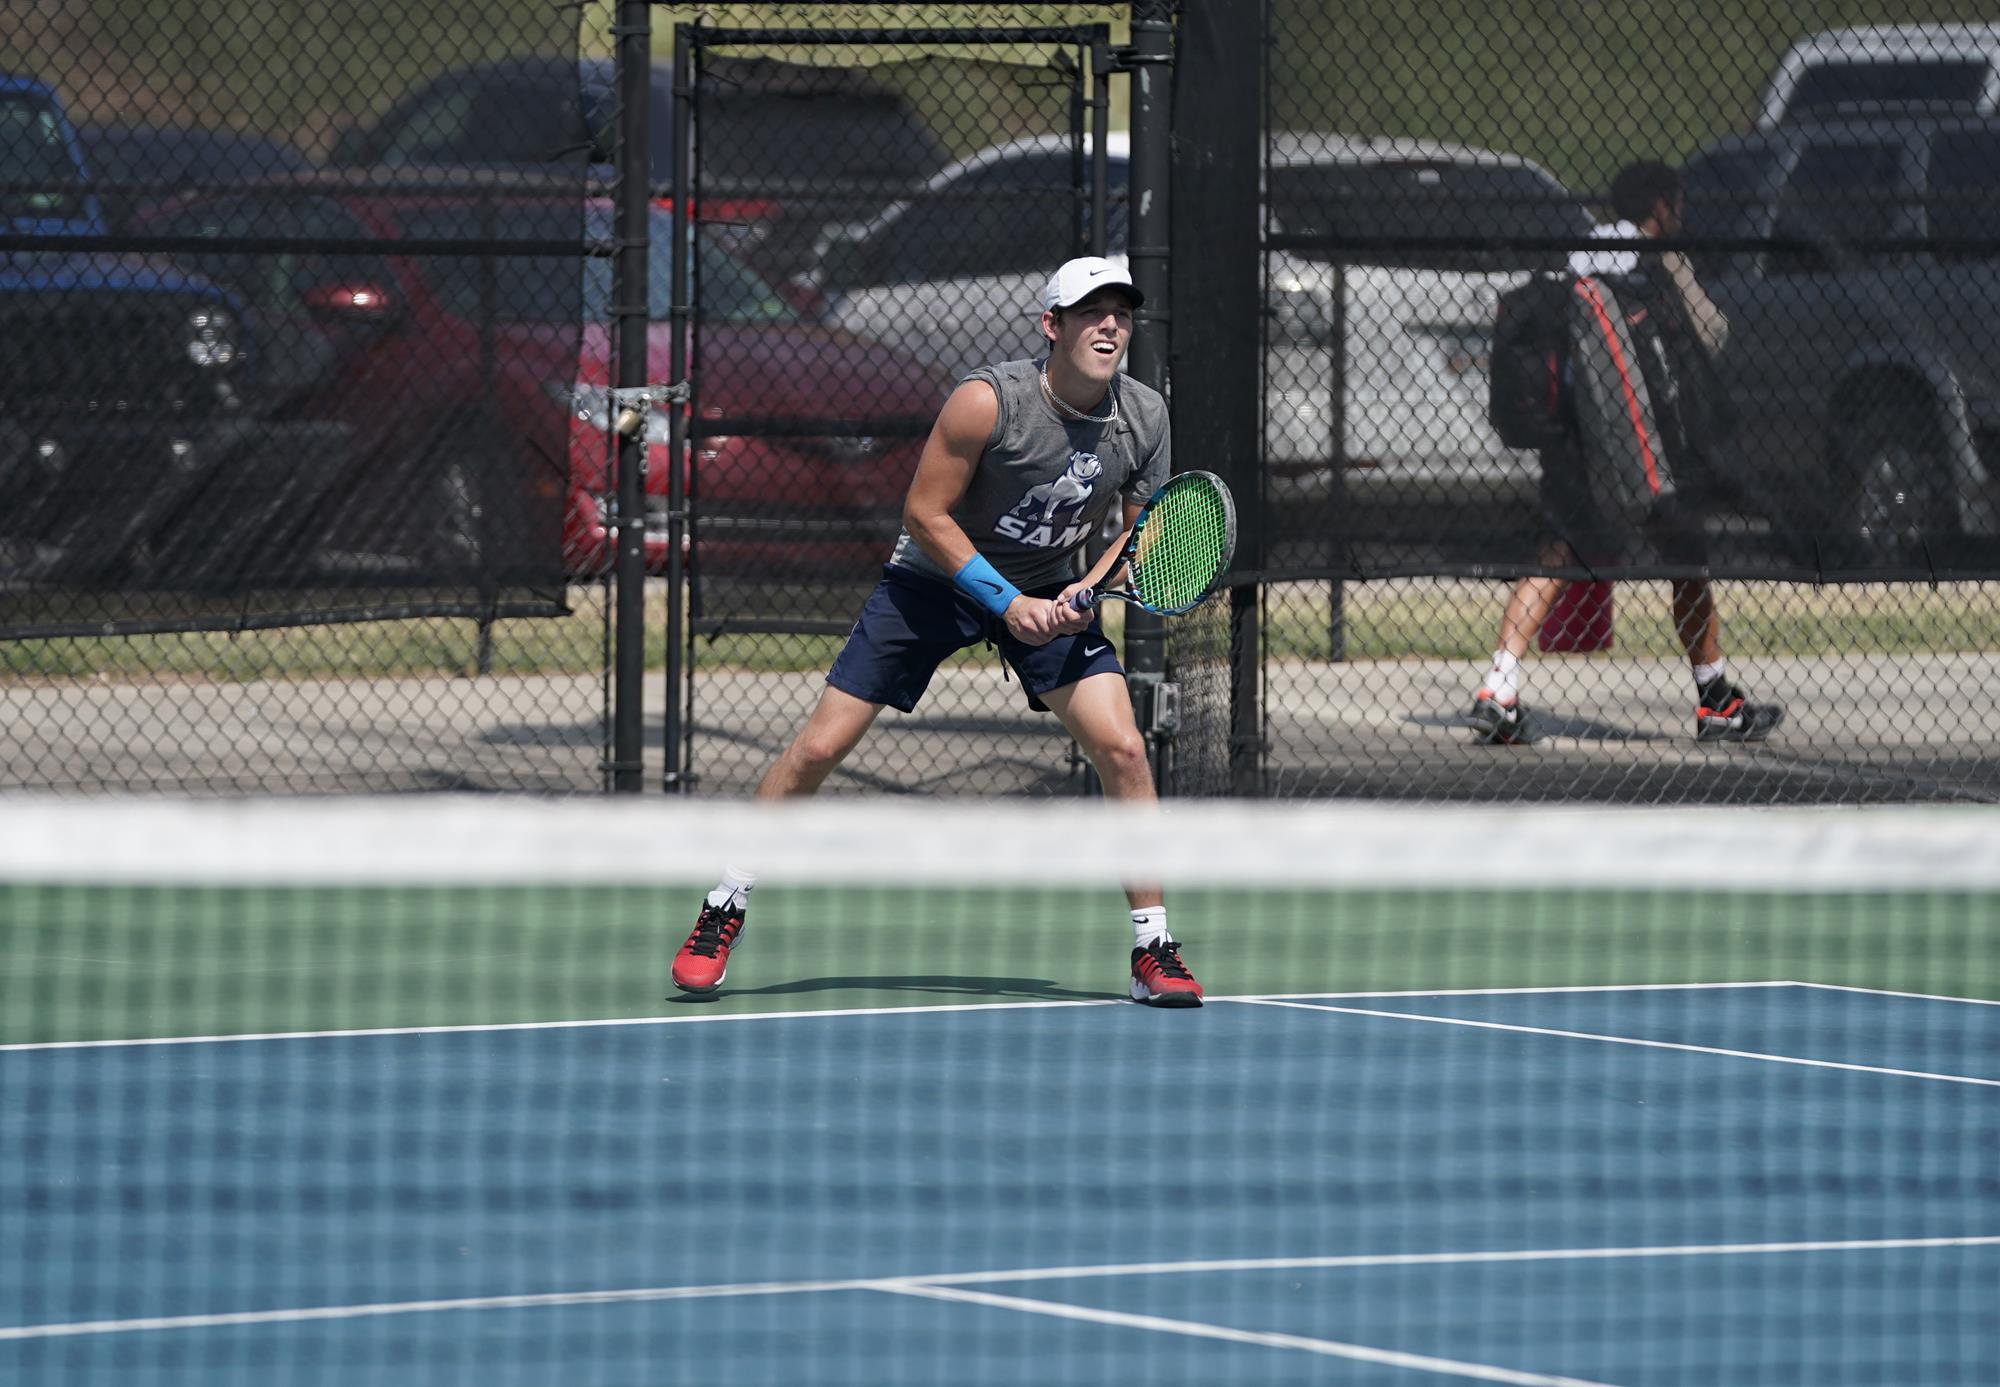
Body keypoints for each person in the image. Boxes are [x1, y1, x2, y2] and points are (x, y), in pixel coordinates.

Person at [673, 256, 1202, 1007]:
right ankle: (725, 902)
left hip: (1052, 582)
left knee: (1121, 744)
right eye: (1091, 310)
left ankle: (1153, 945)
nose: (1109, 323)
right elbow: (924, 514)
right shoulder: (987, 402)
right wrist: (1004, 599)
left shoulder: (1144, 415)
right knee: (821, 746)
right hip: (935, 575)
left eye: (1120, 311)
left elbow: (1142, 530)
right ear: (1053, 325)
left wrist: (1083, 589)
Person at [1466, 159, 1784, 747]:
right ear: (1661, 209)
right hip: (1648, 440)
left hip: (1575, 434)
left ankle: (1499, 686)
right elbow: (1711, 331)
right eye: (1676, 206)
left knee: (1556, 554)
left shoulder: (1578, 253)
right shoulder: (1659, 258)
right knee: (1687, 560)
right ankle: (1715, 697)